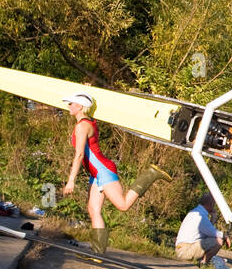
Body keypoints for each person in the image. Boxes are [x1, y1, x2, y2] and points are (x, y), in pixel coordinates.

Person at [61, 93, 169, 253]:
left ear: (80, 107)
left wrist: (71, 180)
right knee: (93, 209)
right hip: (97, 173)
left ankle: (151, 174)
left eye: (72, 104)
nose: (68, 106)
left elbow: (79, 155)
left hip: (103, 171)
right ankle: (98, 252)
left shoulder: (82, 125)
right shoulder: (85, 122)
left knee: (123, 205)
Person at [175, 193, 230, 266]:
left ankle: (203, 260)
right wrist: (225, 236)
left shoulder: (197, 212)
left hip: (183, 248)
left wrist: (213, 217)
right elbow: (214, 233)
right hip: (185, 250)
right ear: (210, 203)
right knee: (219, 241)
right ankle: (204, 263)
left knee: (215, 239)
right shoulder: (200, 216)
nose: (214, 206)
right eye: (214, 203)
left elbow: (208, 231)